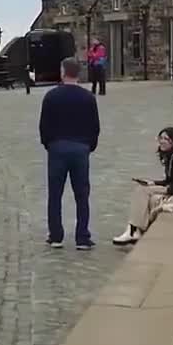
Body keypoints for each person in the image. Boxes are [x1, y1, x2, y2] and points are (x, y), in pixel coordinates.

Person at [39, 56, 100, 250]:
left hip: (57, 148)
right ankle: (82, 237)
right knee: (82, 194)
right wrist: (89, 146)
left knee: (55, 194)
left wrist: (49, 144)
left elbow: (44, 125)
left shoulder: (51, 96)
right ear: (78, 73)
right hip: (80, 149)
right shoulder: (88, 97)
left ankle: (56, 235)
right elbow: (95, 127)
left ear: (63, 72)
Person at [112, 126, 173, 246]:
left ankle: (133, 230)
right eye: (160, 138)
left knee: (141, 191)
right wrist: (153, 183)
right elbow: (171, 180)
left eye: (166, 139)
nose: (162, 141)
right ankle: (134, 230)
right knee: (147, 193)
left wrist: (164, 189)